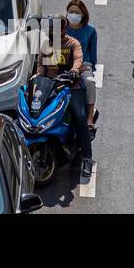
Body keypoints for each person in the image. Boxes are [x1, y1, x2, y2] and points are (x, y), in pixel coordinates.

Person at [36, 16, 93, 177]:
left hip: (71, 87)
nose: (51, 33)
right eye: (49, 30)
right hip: (50, 87)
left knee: (79, 117)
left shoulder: (73, 43)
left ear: (63, 30)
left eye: (54, 29)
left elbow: (78, 59)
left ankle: (87, 158)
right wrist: (38, 75)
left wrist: (75, 70)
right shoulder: (46, 45)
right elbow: (41, 65)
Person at [65, 0, 99, 132]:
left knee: (89, 82)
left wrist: (87, 68)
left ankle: (89, 117)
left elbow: (92, 55)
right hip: (64, 66)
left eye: (77, 13)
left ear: (83, 15)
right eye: (71, 12)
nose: (73, 15)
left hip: (84, 66)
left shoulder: (90, 31)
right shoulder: (61, 28)